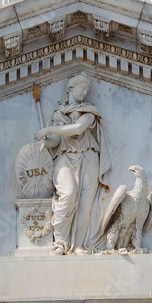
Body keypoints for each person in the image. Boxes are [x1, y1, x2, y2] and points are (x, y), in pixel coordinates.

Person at [34, 73, 109, 254]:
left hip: (88, 155)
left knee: (85, 201)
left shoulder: (89, 111)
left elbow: (77, 129)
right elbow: (58, 140)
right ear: (70, 89)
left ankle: (79, 245)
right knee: (69, 193)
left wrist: (49, 129)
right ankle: (60, 243)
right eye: (81, 88)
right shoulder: (59, 112)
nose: (85, 92)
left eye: (87, 90)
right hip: (65, 156)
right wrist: (46, 141)